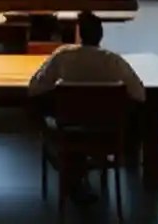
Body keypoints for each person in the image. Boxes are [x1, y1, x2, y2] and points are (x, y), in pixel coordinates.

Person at [28, 12, 144, 205]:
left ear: (78, 34)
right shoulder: (113, 61)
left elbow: (35, 88)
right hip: (108, 131)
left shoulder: (63, 57)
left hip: (69, 131)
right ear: (101, 36)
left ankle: (71, 171)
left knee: (59, 114)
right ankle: (122, 159)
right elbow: (139, 94)